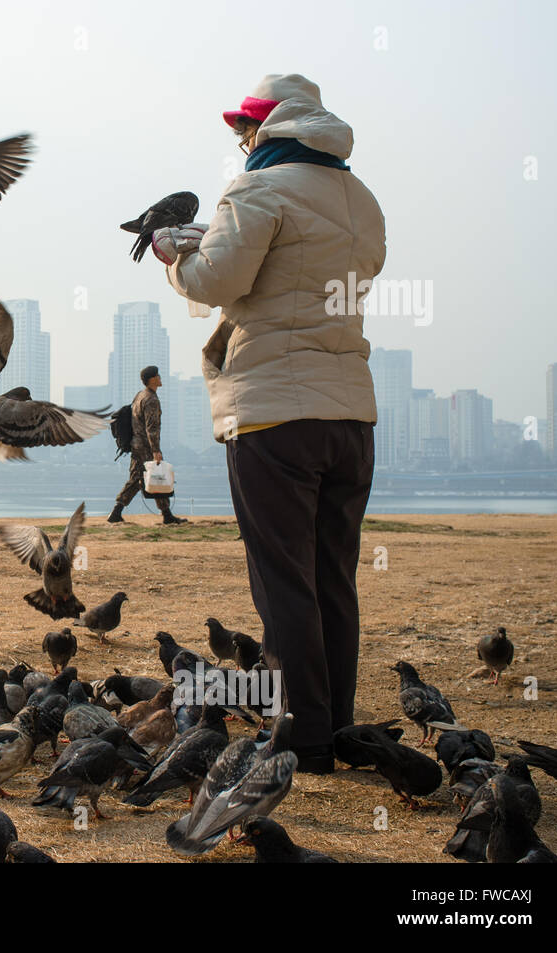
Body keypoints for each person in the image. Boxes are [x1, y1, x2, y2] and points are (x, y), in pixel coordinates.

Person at [151, 75, 385, 774]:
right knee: (331, 579)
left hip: (275, 415)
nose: (242, 142)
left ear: (271, 129)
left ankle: (301, 738)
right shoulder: (362, 199)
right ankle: (335, 727)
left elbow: (217, 282)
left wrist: (176, 257)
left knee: (284, 583)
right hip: (350, 415)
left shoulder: (258, 188)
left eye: (246, 131)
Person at [109, 365, 188, 525]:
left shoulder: (140, 395)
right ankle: (118, 511)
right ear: (152, 379)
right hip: (145, 446)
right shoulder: (151, 399)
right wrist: (156, 450)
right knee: (154, 476)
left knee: (148, 478)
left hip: (136, 444)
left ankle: (165, 514)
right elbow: (151, 428)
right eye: (158, 375)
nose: (160, 377)